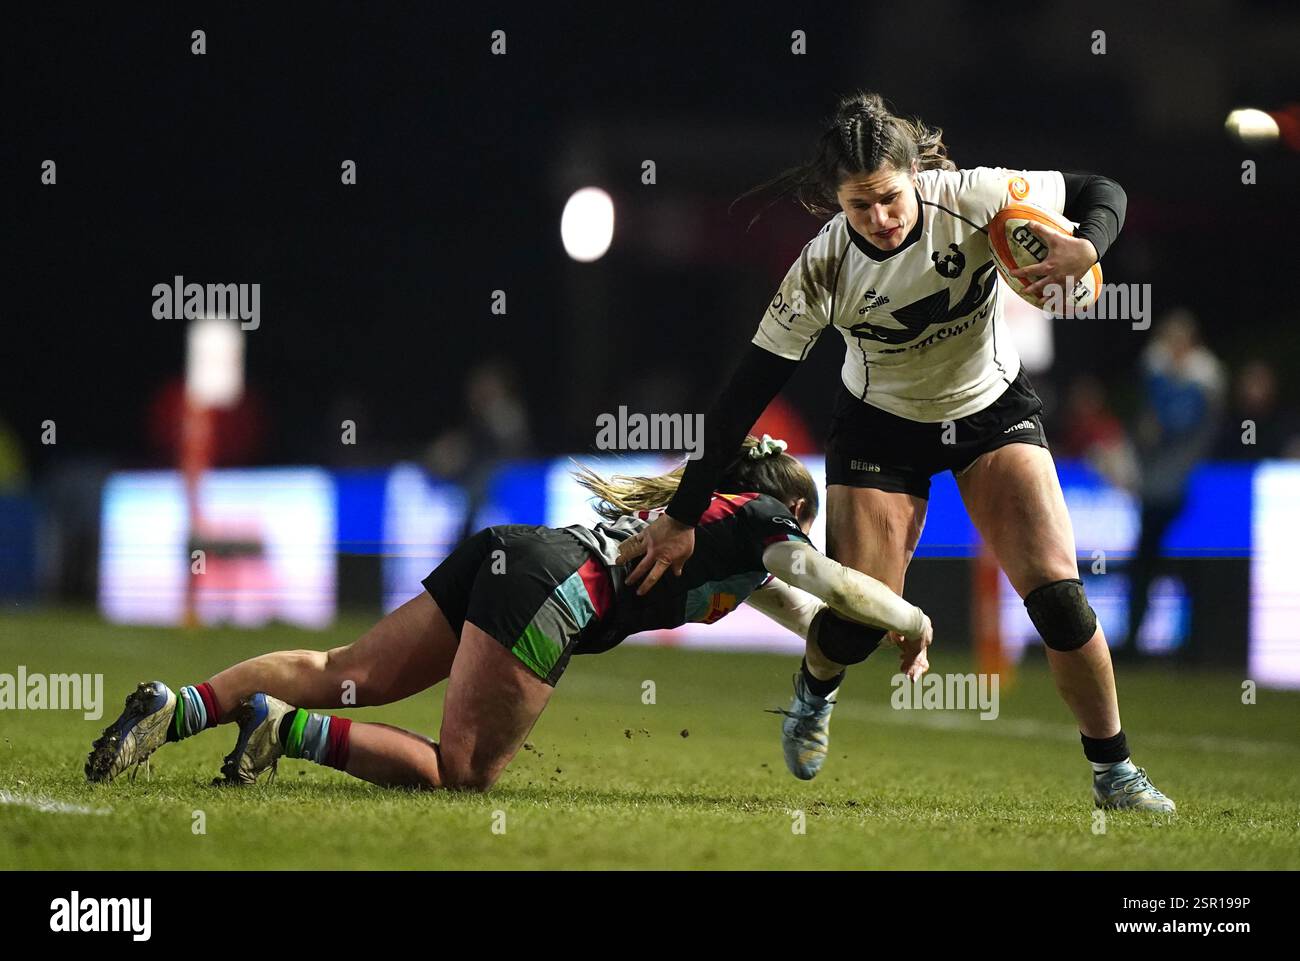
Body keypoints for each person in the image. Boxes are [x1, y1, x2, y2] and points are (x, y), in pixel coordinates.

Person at [618, 90, 1175, 812]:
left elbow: (1104, 190)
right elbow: (740, 396)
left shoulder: (974, 197)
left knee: (1060, 599)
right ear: (836, 203)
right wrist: (685, 512)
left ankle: (1116, 775)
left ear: (916, 173)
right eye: (859, 207)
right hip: (882, 427)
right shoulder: (820, 268)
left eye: (888, 198)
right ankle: (815, 692)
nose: (879, 220)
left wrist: (1088, 246)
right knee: (856, 621)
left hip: (990, 410)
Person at [86, 435, 932, 792]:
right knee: (464, 774)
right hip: (556, 591)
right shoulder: (762, 517)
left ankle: (183, 702)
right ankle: (283, 729)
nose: (800, 530)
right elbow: (833, 583)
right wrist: (913, 620)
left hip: (516, 551)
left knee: (345, 672)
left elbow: (806, 609)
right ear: (783, 502)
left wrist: (839, 656)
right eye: (801, 517)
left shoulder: (718, 533)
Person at [1124, 310, 1224, 652]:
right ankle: (1136, 639)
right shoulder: (1166, 376)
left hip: (1187, 487)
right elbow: (1147, 427)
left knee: (1186, 566)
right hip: (1160, 487)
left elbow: (1172, 422)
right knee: (1145, 564)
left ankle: (1196, 644)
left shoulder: (1201, 381)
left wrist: (1160, 377)